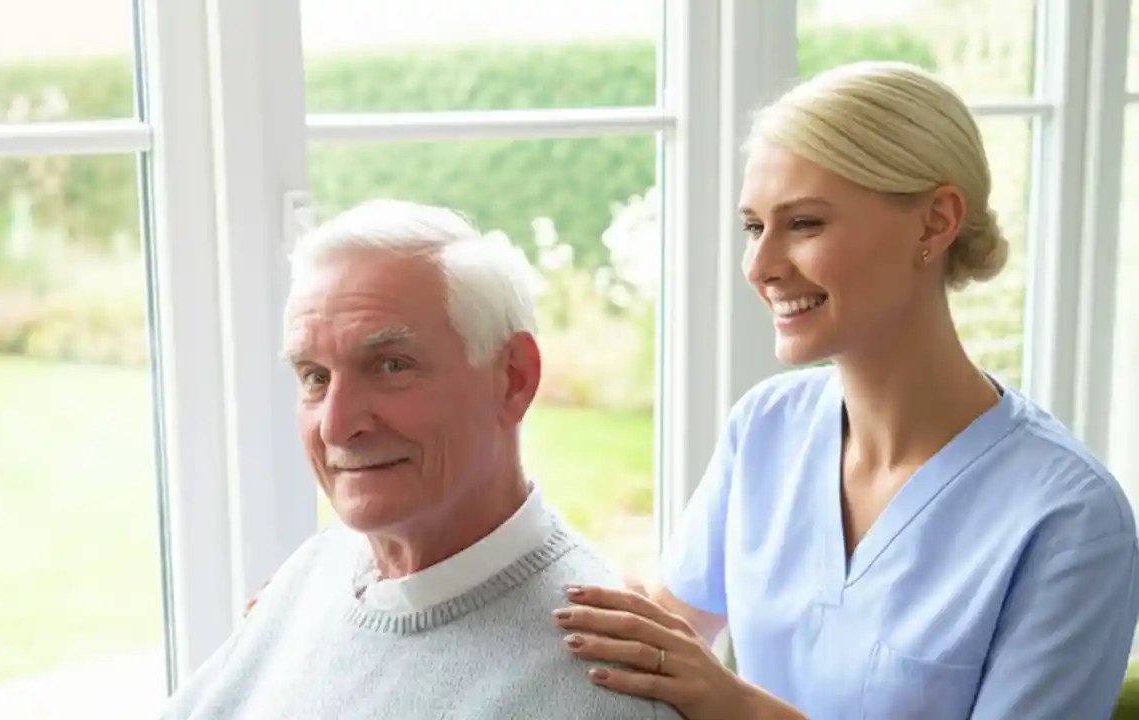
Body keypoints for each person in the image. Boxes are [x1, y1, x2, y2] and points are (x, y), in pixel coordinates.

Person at [552, 61, 1139, 720]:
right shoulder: (765, 429)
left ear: (934, 221)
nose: (760, 265)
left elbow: (707, 689)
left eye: (803, 224)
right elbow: (657, 643)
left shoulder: (1071, 522)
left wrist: (737, 707)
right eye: (754, 227)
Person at [159, 200, 681, 719]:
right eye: (315, 377)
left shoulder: (604, 678)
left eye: (390, 366)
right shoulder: (316, 571)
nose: (337, 425)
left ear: (513, 379)